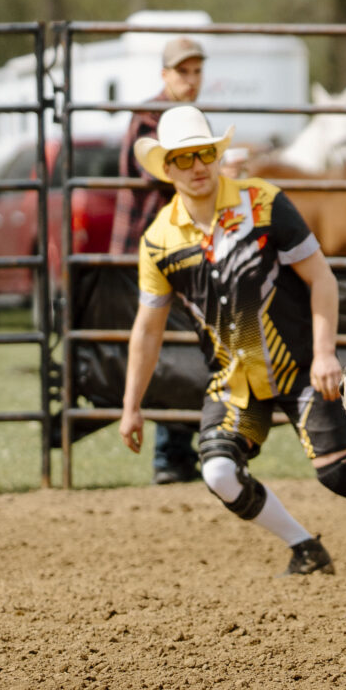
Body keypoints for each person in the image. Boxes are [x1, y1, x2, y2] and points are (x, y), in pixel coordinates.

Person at [118, 105, 346, 576]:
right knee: (218, 472)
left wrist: (323, 354)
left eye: (203, 155)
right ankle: (305, 548)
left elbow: (322, 279)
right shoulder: (159, 242)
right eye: (183, 158)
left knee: (339, 475)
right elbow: (147, 329)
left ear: (216, 156)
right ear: (166, 168)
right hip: (236, 381)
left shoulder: (263, 203)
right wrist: (132, 405)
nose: (196, 167)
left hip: (301, 368)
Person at [113, 35, 206, 484]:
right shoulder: (149, 119)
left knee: (182, 343)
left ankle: (179, 451)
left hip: (178, 246)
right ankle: (170, 454)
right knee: (167, 345)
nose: (190, 81)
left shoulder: (174, 118)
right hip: (152, 245)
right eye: (182, 72)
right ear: (165, 75)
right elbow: (158, 173)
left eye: (196, 72)